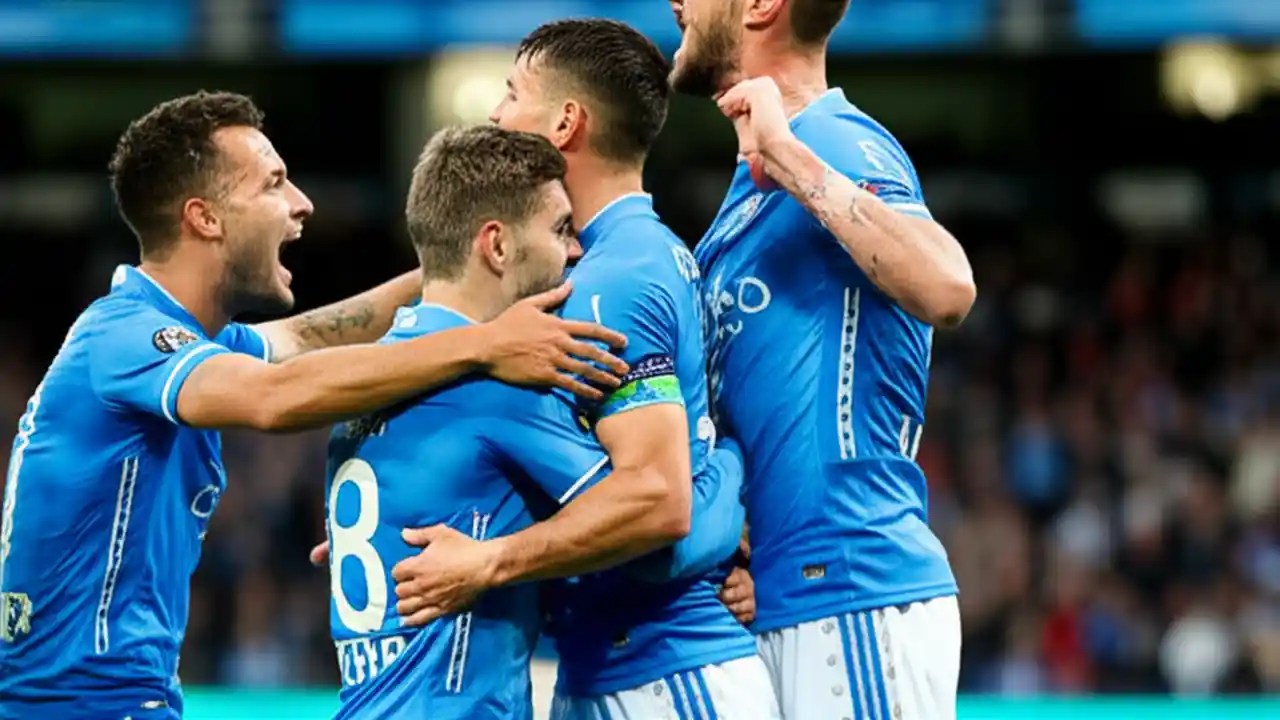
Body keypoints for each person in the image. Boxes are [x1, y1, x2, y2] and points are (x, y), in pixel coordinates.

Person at [0, 91, 625, 720]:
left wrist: (459, 255)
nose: (301, 204)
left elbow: (306, 338)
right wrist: (482, 343)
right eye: (274, 183)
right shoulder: (123, 336)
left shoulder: (193, 343)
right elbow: (276, 399)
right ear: (205, 218)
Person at [326, 124, 747, 719]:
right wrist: (728, 470)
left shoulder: (364, 388)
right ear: (496, 247)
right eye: (558, 230)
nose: (575, 251)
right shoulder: (497, 388)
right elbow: (656, 529)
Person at [668, 1, 977, 718]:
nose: (676, 1)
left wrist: (791, 158)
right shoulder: (742, 195)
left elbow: (947, 284)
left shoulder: (830, 137)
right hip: (790, 602)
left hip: (852, 587)